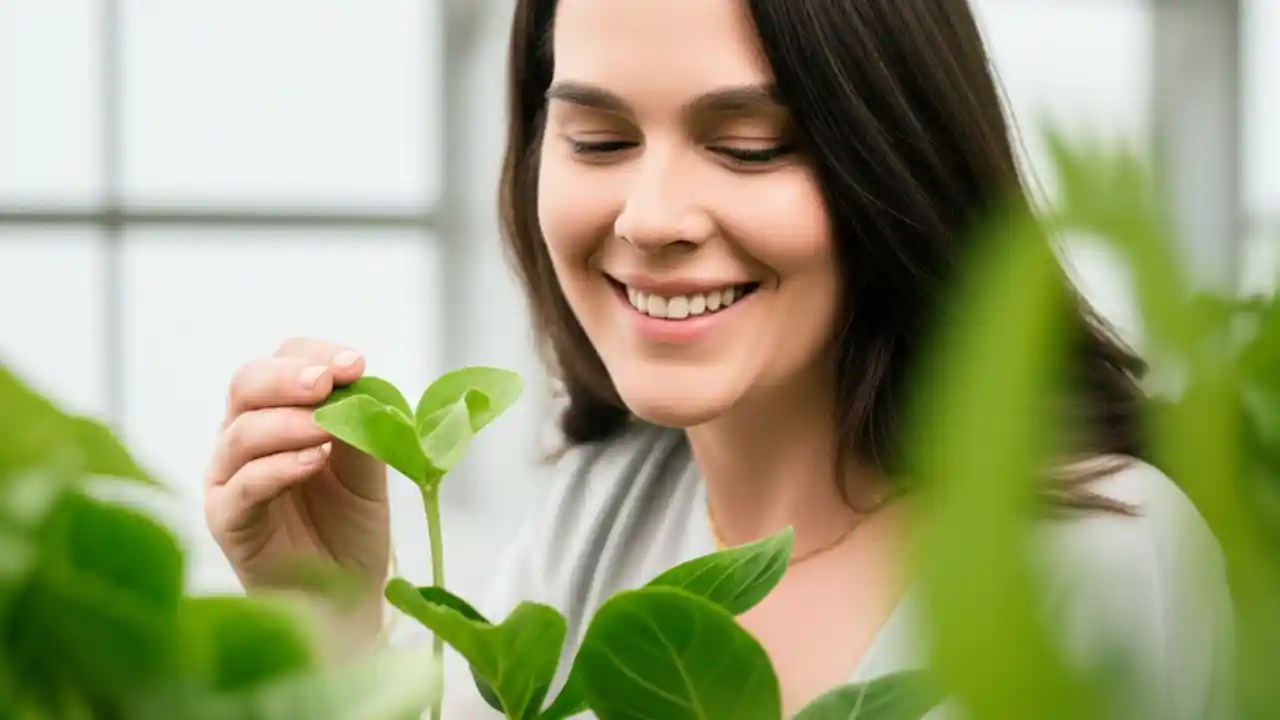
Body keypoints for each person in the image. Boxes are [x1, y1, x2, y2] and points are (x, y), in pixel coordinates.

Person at [203, 0, 1233, 717]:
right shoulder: (595, 511)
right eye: (599, 141)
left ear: (895, 156)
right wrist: (330, 625)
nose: (649, 220)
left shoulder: (1095, 561)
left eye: (747, 146)